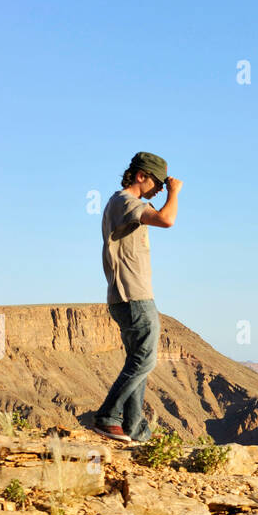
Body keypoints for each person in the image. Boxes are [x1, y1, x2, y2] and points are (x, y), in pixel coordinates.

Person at [94, 151, 183, 444]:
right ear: (140, 176)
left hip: (128, 296)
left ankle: (135, 428)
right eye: (156, 182)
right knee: (145, 361)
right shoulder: (125, 202)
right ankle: (108, 417)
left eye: (163, 184)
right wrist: (174, 192)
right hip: (133, 296)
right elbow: (168, 220)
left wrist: (163, 190)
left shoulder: (123, 204)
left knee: (138, 361)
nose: (159, 188)